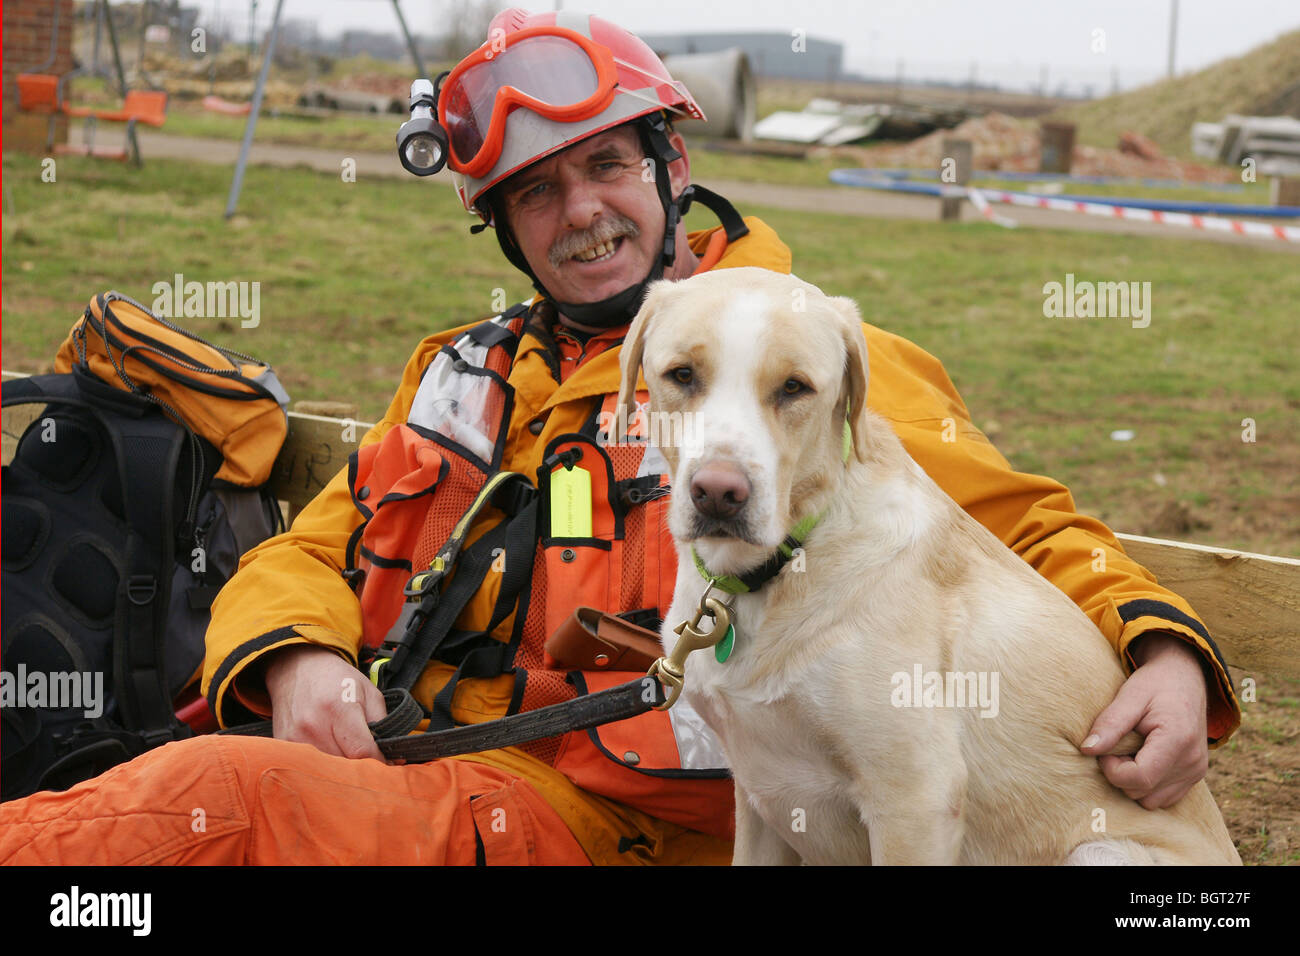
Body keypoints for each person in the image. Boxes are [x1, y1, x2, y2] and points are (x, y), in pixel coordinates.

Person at [0, 7, 1239, 866]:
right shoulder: (457, 374)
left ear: (670, 162)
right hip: (413, 770)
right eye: (535, 190)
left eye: (603, 166)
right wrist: (292, 661)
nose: (578, 211)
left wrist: (1165, 646)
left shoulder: (803, 358)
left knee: (205, 804)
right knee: (115, 788)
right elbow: (308, 552)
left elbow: (1016, 530)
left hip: (591, 823)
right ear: (500, 223)